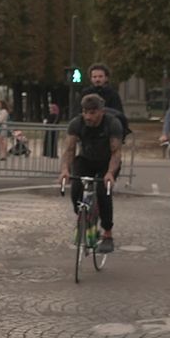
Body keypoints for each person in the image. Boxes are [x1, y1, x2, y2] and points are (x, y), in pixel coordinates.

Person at [58, 93, 123, 254]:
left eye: (92, 113)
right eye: (85, 112)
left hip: (107, 162)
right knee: (76, 190)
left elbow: (116, 152)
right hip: (85, 159)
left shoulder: (112, 123)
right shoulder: (76, 123)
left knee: (103, 192)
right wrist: (65, 170)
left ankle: (107, 233)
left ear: (101, 112)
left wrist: (110, 173)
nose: (88, 116)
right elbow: (70, 149)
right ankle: (84, 218)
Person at [82, 63, 128, 135]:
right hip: (87, 131)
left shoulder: (113, 94)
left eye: (100, 76)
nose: (97, 79)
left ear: (106, 78)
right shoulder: (85, 93)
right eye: (94, 77)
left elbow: (119, 114)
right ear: (91, 79)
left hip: (108, 131)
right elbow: (77, 112)